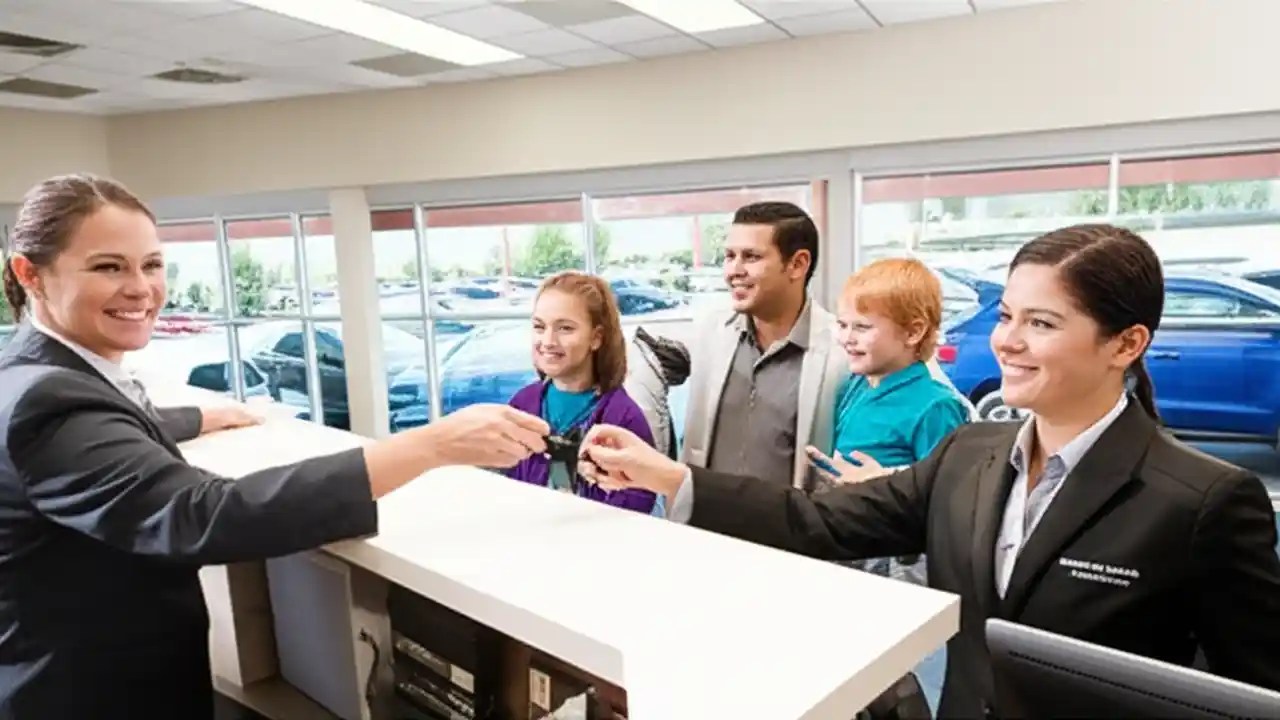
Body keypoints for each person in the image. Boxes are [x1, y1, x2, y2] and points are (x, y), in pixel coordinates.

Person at [578, 224, 1280, 717]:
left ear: (1126, 343)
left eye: (1042, 323)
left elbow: (1254, 693)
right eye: (1007, 315)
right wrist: (666, 476)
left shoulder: (1206, 501)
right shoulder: (970, 455)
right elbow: (816, 519)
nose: (1006, 339)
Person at [0, 174, 550, 720]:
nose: (141, 287)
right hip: (89, 693)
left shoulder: (36, 371)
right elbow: (201, 515)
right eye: (108, 266)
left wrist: (195, 417)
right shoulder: (50, 401)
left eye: (151, 264)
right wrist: (430, 446)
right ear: (31, 274)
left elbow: (103, 434)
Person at [681, 201, 847, 490]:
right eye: (729, 256)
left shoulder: (841, 351)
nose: (734, 270)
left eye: (751, 257)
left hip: (788, 531)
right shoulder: (711, 332)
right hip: (708, 526)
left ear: (797, 264)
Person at [504, 271, 657, 514]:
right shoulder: (521, 406)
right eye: (539, 326)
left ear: (596, 338)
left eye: (565, 328)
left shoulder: (624, 419)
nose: (548, 340)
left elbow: (636, 511)